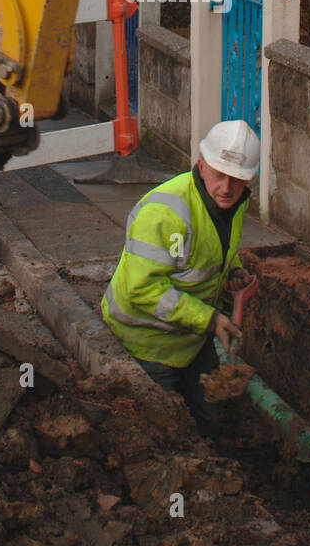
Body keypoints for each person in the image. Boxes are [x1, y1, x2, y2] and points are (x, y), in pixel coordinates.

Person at [101, 119, 259, 438]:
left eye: (237, 180)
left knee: (212, 420)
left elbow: (213, 249)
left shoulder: (231, 203)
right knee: (164, 433)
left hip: (191, 337)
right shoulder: (166, 213)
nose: (226, 188)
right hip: (147, 341)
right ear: (201, 166)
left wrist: (233, 271)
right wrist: (211, 319)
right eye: (218, 176)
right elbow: (142, 289)